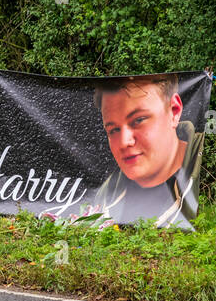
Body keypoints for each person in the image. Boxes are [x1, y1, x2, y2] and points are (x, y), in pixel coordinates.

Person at [80, 74, 205, 230]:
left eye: (139, 120)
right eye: (114, 130)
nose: (125, 142)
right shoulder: (105, 196)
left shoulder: (206, 169)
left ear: (174, 111)